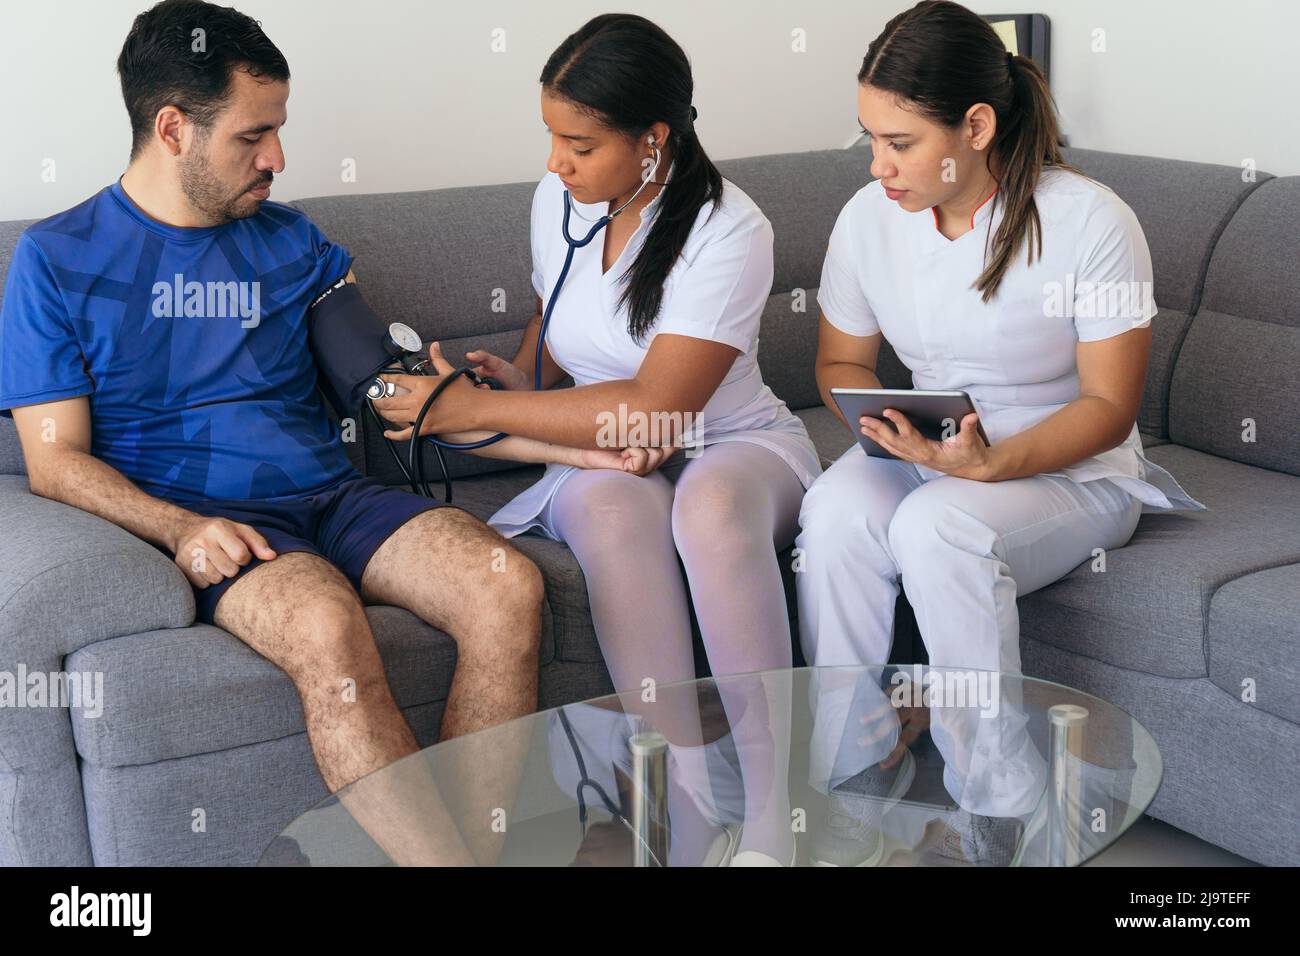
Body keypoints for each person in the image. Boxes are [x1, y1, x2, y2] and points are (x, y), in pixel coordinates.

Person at [0, 0, 632, 865]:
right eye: (253, 137)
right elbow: (53, 463)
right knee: (329, 631)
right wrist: (183, 530)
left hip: (335, 495)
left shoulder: (293, 242)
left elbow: (399, 397)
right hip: (219, 523)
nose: (278, 159)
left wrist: (575, 447)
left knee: (503, 585)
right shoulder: (56, 260)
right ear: (174, 129)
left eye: (281, 130)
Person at [373, 13, 821, 865]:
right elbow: (561, 316)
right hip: (605, 451)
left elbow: (658, 408)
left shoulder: (730, 229)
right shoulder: (563, 199)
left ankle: (773, 820)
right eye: (550, 136)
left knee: (712, 507)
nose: (555, 162)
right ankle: (688, 806)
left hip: (733, 441)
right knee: (614, 509)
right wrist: (519, 380)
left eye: (578, 143)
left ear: (654, 140)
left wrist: (470, 412)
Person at [795, 0, 1205, 863]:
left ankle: (1003, 814)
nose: (878, 166)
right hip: (926, 447)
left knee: (935, 527)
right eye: (870, 139)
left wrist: (988, 464)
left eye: (899, 143)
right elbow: (841, 363)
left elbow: (1108, 406)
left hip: (1070, 467)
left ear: (975, 125)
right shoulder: (868, 221)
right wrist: (888, 423)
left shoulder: (1089, 221)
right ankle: (852, 775)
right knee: (832, 516)